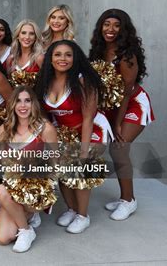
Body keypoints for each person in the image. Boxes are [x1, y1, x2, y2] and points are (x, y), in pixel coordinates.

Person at [35, 40, 112, 234]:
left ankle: (82, 216)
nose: (63, 59)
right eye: (58, 54)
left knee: (79, 169)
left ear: (75, 57)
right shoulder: (45, 80)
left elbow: (88, 118)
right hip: (63, 130)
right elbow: (44, 113)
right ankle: (71, 209)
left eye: (68, 55)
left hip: (91, 129)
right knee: (60, 169)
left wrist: (83, 151)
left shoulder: (83, 79)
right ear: (50, 59)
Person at [89, 8, 154, 220]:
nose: (111, 29)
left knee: (119, 148)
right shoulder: (98, 52)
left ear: (123, 30)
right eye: (107, 24)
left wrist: (117, 124)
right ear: (101, 27)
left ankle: (129, 201)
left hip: (132, 104)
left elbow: (126, 93)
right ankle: (124, 196)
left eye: (116, 25)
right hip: (111, 106)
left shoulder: (127, 56)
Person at [0, 86, 57, 252]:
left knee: (1, 191)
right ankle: (27, 229)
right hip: (13, 189)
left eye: (27, 101)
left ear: (33, 104)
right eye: (18, 101)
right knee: (2, 238)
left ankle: (27, 220)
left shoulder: (45, 128)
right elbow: (3, 162)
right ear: (12, 105)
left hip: (34, 191)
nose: (23, 105)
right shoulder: (4, 130)